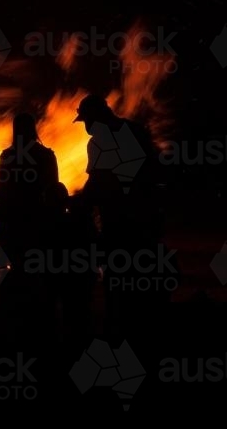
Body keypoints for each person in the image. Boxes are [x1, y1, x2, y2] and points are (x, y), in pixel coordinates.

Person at [71, 94, 167, 334]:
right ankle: (148, 332)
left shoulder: (100, 141)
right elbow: (156, 170)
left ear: (95, 117)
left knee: (119, 283)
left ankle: (119, 334)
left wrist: (76, 203)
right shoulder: (135, 130)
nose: (86, 127)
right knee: (145, 282)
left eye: (86, 121)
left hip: (119, 223)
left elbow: (97, 183)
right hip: (147, 218)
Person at [0, 113, 60, 270]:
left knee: (15, 265)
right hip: (38, 219)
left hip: (11, 220)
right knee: (35, 266)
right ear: (33, 130)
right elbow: (53, 188)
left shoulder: (8, 156)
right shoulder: (46, 155)